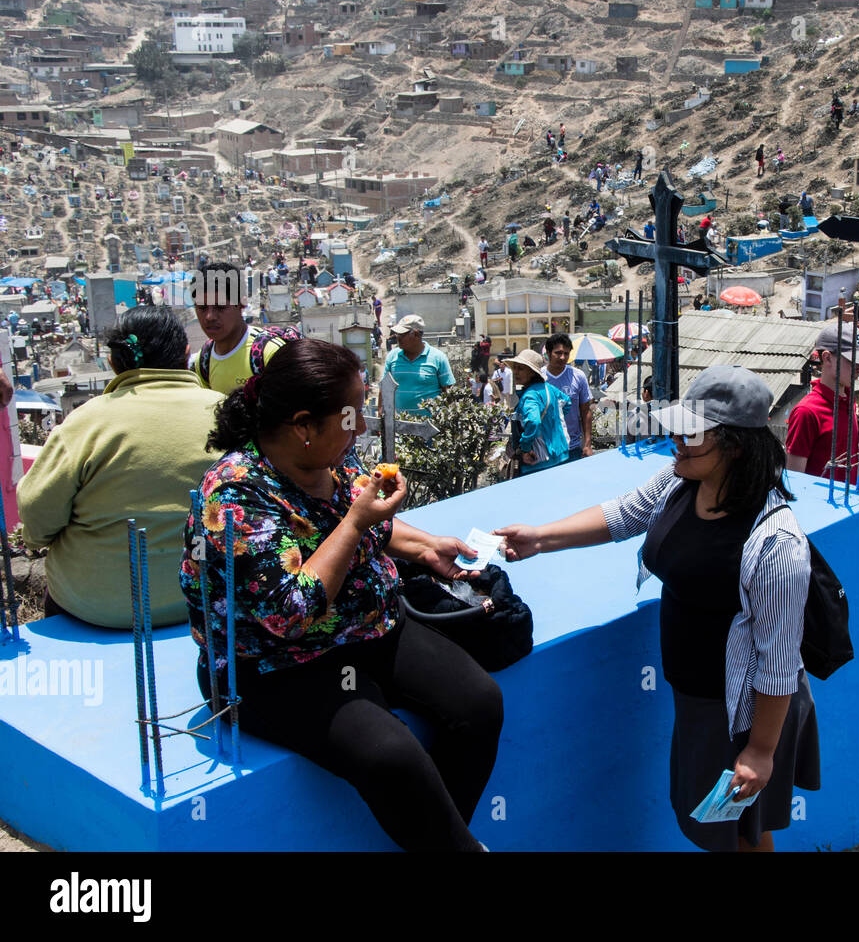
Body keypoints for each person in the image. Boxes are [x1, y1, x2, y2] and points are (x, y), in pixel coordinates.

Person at [181, 338, 501, 852]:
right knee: (388, 754)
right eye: (350, 415)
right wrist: (355, 523)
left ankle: (439, 843)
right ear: (304, 425)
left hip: (363, 630)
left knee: (478, 703)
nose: (361, 425)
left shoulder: (336, 461)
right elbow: (290, 614)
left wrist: (423, 547)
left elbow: (367, 523)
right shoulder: (236, 496)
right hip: (274, 664)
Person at [492, 365, 819, 852]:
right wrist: (540, 538)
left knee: (737, 834)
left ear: (733, 445)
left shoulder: (775, 544)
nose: (675, 441)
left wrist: (760, 750)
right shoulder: (682, 482)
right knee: (732, 829)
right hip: (697, 697)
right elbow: (623, 514)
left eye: (691, 433)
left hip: (743, 714)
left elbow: (777, 665)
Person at [18, 307, 223, 628]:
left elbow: (36, 521)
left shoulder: (85, 423)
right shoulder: (228, 415)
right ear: (186, 354)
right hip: (209, 601)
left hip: (96, 610)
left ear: (113, 362)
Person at [191, 261, 287, 396]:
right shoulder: (203, 360)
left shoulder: (268, 354)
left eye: (220, 307)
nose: (210, 316)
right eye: (202, 308)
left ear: (242, 303)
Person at [785, 323, 859, 483]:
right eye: (852, 361)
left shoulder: (850, 403)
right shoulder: (807, 412)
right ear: (827, 357)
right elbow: (794, 481)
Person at [507, 349, 571, 475]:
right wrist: (551, 421)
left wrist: (525, 448)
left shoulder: (530, 395)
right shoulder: (549, 388)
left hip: (537, 460)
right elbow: (567, 403)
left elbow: (533, 421)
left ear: (532, 372)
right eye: (515, 368)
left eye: (521, 369)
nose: (516, 372)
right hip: (559, 454)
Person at [382, 315, 455, 416]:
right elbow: (384, 388)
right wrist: (382, 418)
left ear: (416, 334)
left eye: (402, 334)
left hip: (430, 427)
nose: (397, 337)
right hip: (400, 425)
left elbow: (449, 392)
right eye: (397, 334)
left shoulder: (438, 358)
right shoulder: (392, 356)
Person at [542, 333, 593, 462]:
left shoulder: (578, 376)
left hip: (572, 447)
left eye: (566, 353)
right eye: (558, 353)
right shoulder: (539, 378)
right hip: (545, 448)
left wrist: (587, 444)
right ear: (548, 353)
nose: (562, 357)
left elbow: (586, 411)